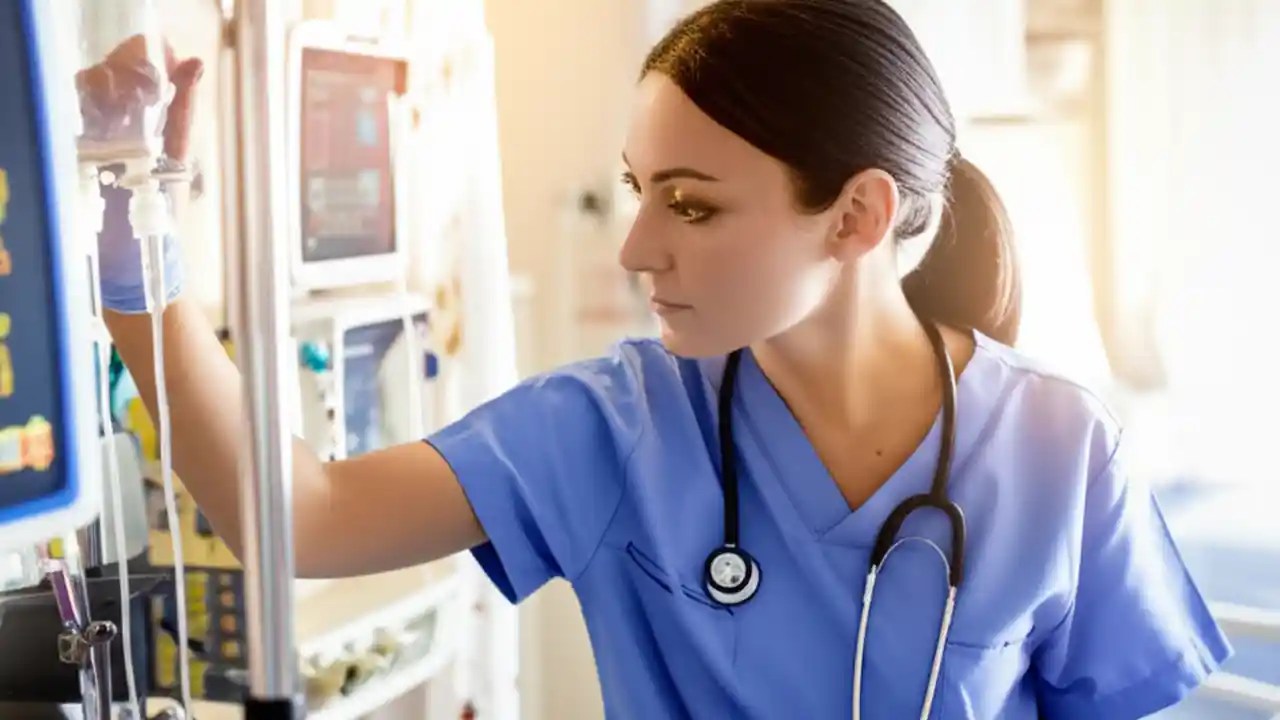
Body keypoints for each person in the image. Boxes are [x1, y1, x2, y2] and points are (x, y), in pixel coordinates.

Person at [95, 1, 1231, 718]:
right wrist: (137, 239)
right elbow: (303, 516)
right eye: (640, 191)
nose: (636, 247)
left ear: (853, 216)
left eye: (690, 205)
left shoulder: (1055, 447)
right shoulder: (615, 426)